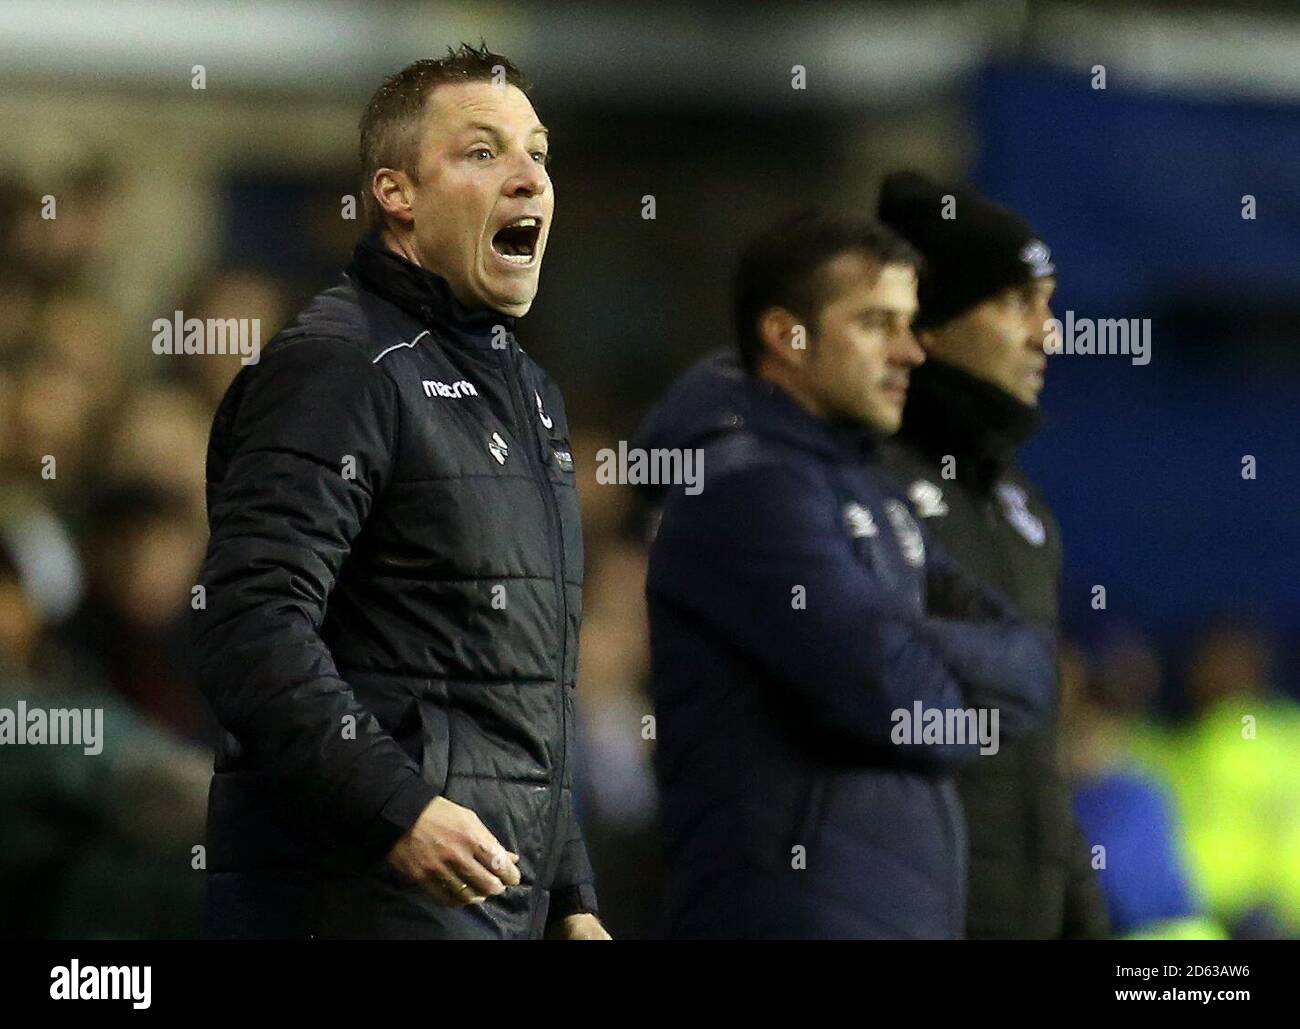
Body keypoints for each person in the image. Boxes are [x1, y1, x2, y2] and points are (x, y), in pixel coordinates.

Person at [193, 44, 606, 940]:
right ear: (397, 193)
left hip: (490, 905)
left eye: (538, 151)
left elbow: (517, 682)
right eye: (484, 152)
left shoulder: (530, 392)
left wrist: (567, 894)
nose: (530, 177)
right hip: (356, 901)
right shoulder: (340, 368)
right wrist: (399, 810)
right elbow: (250, 627)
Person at [633, 210, 1057, 938]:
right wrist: (918, 657)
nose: (910, 353)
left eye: (910, 322)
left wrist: (903, 636)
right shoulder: (746, 489)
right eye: (876, 323)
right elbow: (898, 696)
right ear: (786, 336)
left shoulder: (867, 487)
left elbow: (1030, 668)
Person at [877, 171, 1109, 938]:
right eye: (1017, 304)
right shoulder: (854, 489)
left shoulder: (1023, 511)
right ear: (931, 326)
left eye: (1046, 305)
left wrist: (1082, 916)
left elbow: (1033, 760)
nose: (1050, 332)